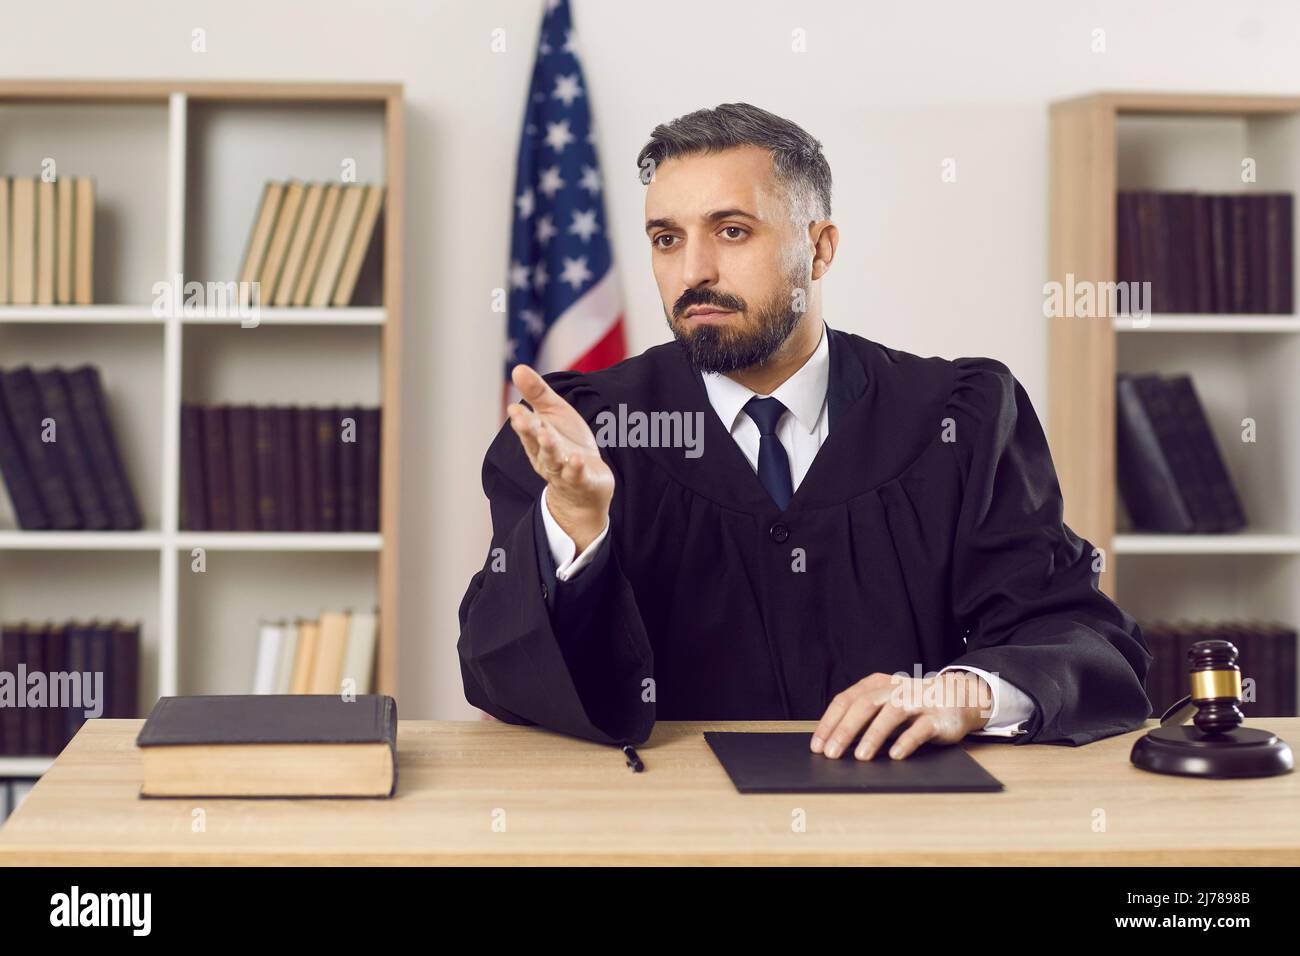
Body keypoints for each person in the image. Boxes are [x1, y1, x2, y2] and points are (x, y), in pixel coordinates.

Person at [458, 102, 1150, 762]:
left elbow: (1082, 638)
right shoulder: (587, 432)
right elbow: (500, 675)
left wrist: (965, 693)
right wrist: (576, 526)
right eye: (667, 239)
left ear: (820, 250)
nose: (693, 271)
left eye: (731, 231)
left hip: (908, 823)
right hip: (666, 829)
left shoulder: (956, 418)